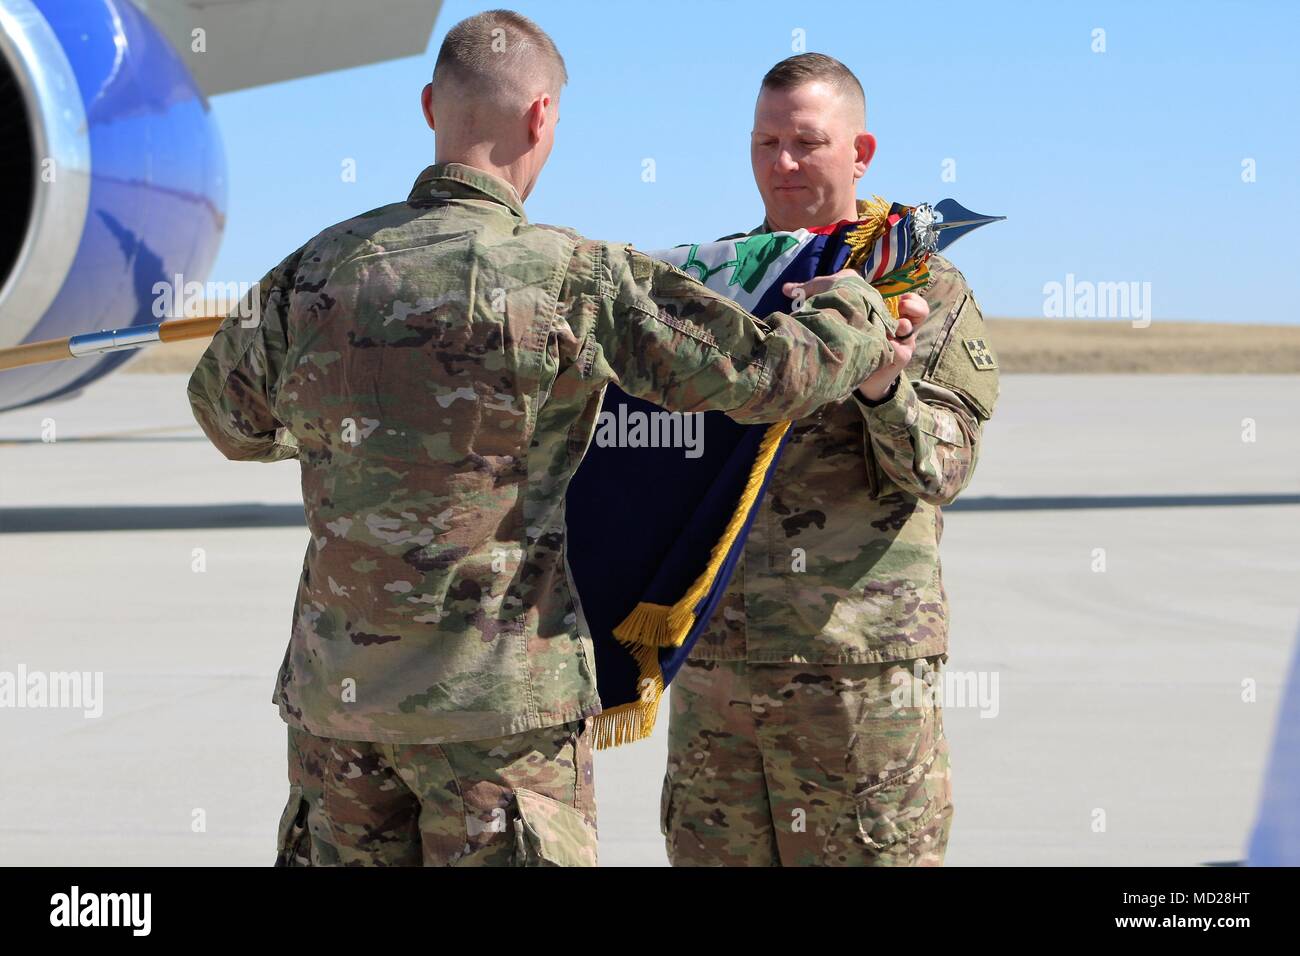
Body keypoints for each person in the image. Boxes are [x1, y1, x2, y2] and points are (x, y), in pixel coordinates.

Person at [187, 13, 900, 867]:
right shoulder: (571, 278)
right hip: (498, 716)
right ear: (540, 119)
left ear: (429, 108)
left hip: (339, 712)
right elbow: (761, 380)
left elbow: (225, 414)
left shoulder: (314, 269)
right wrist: (852, 311)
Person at [662, 52, 1001, 866]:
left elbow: (943, 470)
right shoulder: (718, 287)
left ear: (861, 152)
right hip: (720, 678)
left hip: (857, 679)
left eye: (806, 142)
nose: (781, 164)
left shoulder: (925, 287)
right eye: (764, 141)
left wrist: (884, 386)